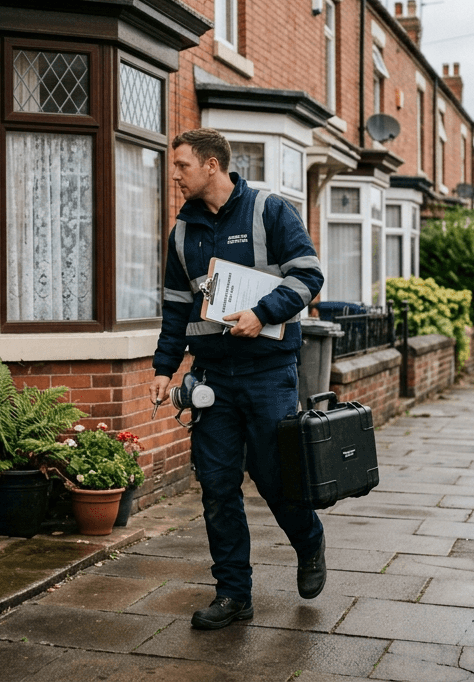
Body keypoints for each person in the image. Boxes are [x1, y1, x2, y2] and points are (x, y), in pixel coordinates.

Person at [150, 128, 327, 630]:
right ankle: (234, 594)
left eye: (182, 165)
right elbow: (177, 308)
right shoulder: (182, 232)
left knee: (274, 478)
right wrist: (164, 369)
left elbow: (309, 276)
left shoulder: (269, 210)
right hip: (211, 379)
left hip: (268, 373)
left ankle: (308, 539)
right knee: (217, 485)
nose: (176, 175)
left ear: (211, 165)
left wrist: (262, 312)